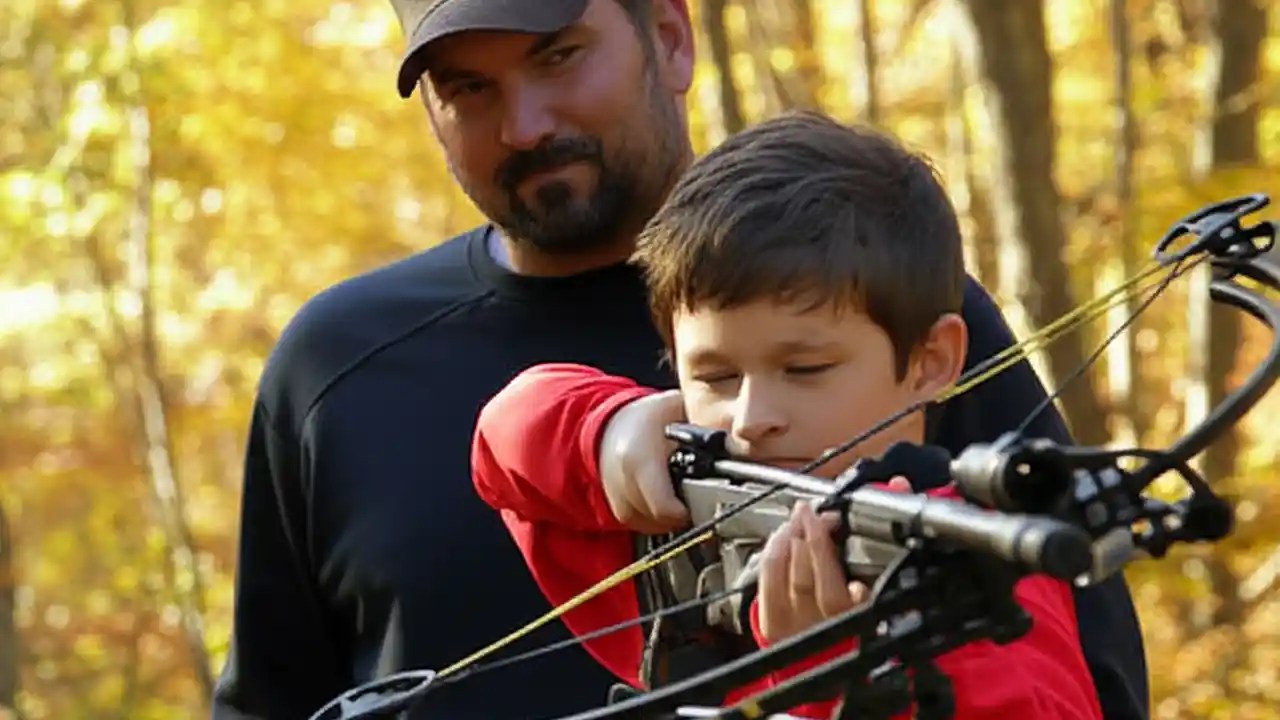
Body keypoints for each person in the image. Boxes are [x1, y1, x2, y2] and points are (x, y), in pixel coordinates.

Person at [210, 0, 1148, 718]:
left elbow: (1081, 673)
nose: (526, 122)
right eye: (468, 87)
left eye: (558, 55)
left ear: (669, 37)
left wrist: (845, 678)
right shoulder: (334, 361)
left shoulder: (884, 303)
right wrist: (611, 433)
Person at [470, 111, 1104, 719]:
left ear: (931, 360)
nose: (751, 417)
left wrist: (837, 677)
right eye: (715, 377)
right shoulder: (700, 518)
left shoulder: (978, 566)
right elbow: (506, 436)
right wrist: (607, 433)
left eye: (805, 370)